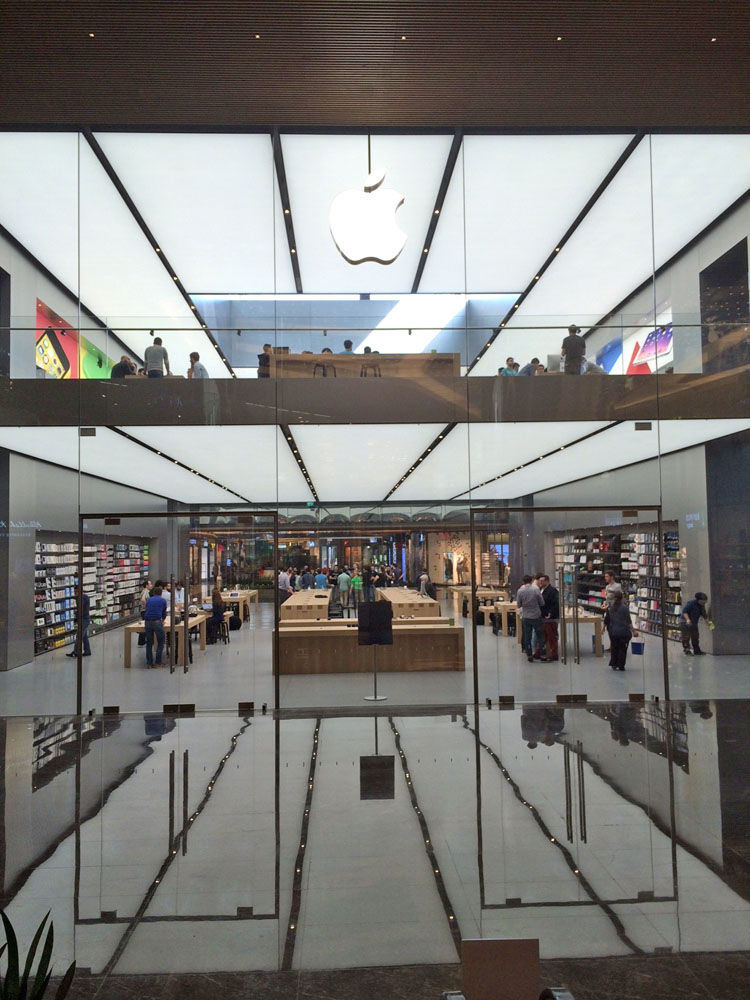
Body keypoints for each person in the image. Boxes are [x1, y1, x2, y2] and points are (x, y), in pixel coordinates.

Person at [516, 575, 545, 663]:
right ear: (532, 580)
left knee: (527, 636)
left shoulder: (520, 591)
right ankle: (540, 652)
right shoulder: (535, 589)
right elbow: (542, 602)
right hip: (536, 615)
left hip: (526, 616)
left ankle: (529, 654)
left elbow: (518, 605)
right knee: (540, 635)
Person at [603, 591, 634, 670]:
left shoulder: (610, 607)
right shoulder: (625, 608)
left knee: (614, 648)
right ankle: (621, 665)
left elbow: (607, 619)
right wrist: (634, 631)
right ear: (622, 598)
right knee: (622, 648)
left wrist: (603, 627)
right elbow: (629, 621)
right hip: (623, 632)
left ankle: (614, 663)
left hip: (613, 631)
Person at [143, 584, 168, 667]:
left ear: (153, 593)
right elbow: (164, 613)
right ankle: (158, 662)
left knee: (149, 643)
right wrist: (163, 620)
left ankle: (149, 663)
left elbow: (147, 609)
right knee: (161, 641)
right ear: (161, 593)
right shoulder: (163, 601)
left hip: (147, 621)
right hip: (157, 621)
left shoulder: (149, 600)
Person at [538, 574, 560, 661]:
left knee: (552, 636)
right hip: (543, 616)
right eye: (540, 580)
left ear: (547, 581)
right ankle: (540, 652)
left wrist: (550, 613)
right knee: (544, 636)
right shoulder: (541, 590)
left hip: (550, 617)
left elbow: (555, 603)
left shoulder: (552, 591)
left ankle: (554, 654)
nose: (540, 582)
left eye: (542, 581)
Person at [66, 591, 91, 657]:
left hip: (84, 619)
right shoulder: (84, 597)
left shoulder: (83, 597)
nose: (75, 593)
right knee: (84, 637)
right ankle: (87, 651)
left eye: (75, 591)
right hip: (84, 619)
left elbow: (80, 608)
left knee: (79, 636)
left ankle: (76, 652)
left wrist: (75, 611)